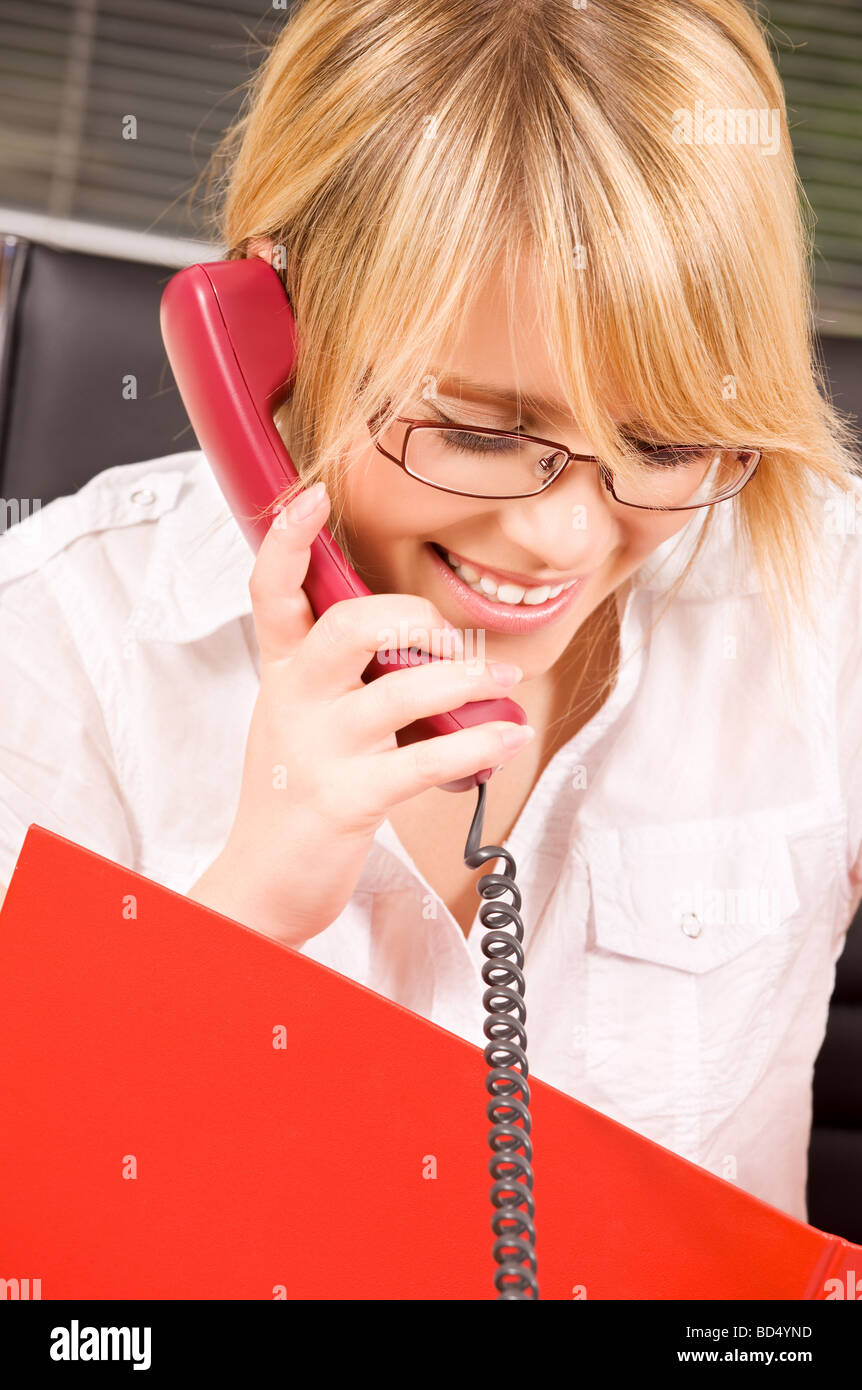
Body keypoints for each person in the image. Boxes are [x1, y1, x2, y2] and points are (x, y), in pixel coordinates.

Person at [1, 0, 861, 1227]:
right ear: (272, 335)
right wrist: (239, 910)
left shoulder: (823, 594)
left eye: (663, 439)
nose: (562, 537)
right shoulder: (50, 648)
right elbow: (39, 1219)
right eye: (475, 429)